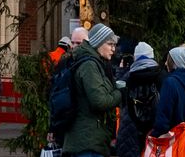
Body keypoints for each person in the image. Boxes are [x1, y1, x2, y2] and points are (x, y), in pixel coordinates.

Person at [60, 24, 120, 157]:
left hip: (88, 141)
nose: (113, 49)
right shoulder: (89, 65)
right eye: (110, 44)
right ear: (99, 43)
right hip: (86, 143)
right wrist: (119, 93)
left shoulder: (95, 63)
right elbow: (99, 101)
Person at [151, 46, 185, 157]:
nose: (166, 64)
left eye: (169, 60)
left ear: (176, 63)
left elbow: (163, 119)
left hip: (174, 148)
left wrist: (155, 136)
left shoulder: (171, 83)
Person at [115, 43, 163, 157]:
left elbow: (118, 100)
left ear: (135, 58)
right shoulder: (161, 76)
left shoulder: (127, 77)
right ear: (151, 57)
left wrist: (121, 71)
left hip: (129, 131)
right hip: (153, 132)